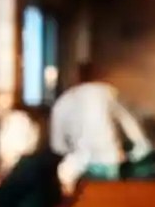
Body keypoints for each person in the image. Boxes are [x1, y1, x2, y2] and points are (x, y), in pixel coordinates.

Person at [50, 62, 149, 190]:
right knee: (107, 201)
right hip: (109, 162)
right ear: (99, 75)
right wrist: (136, 152)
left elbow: (58, 146)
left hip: (78, 166)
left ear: (76, 77)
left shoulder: (63, 101)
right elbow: (131, 124)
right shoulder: (108, 93)